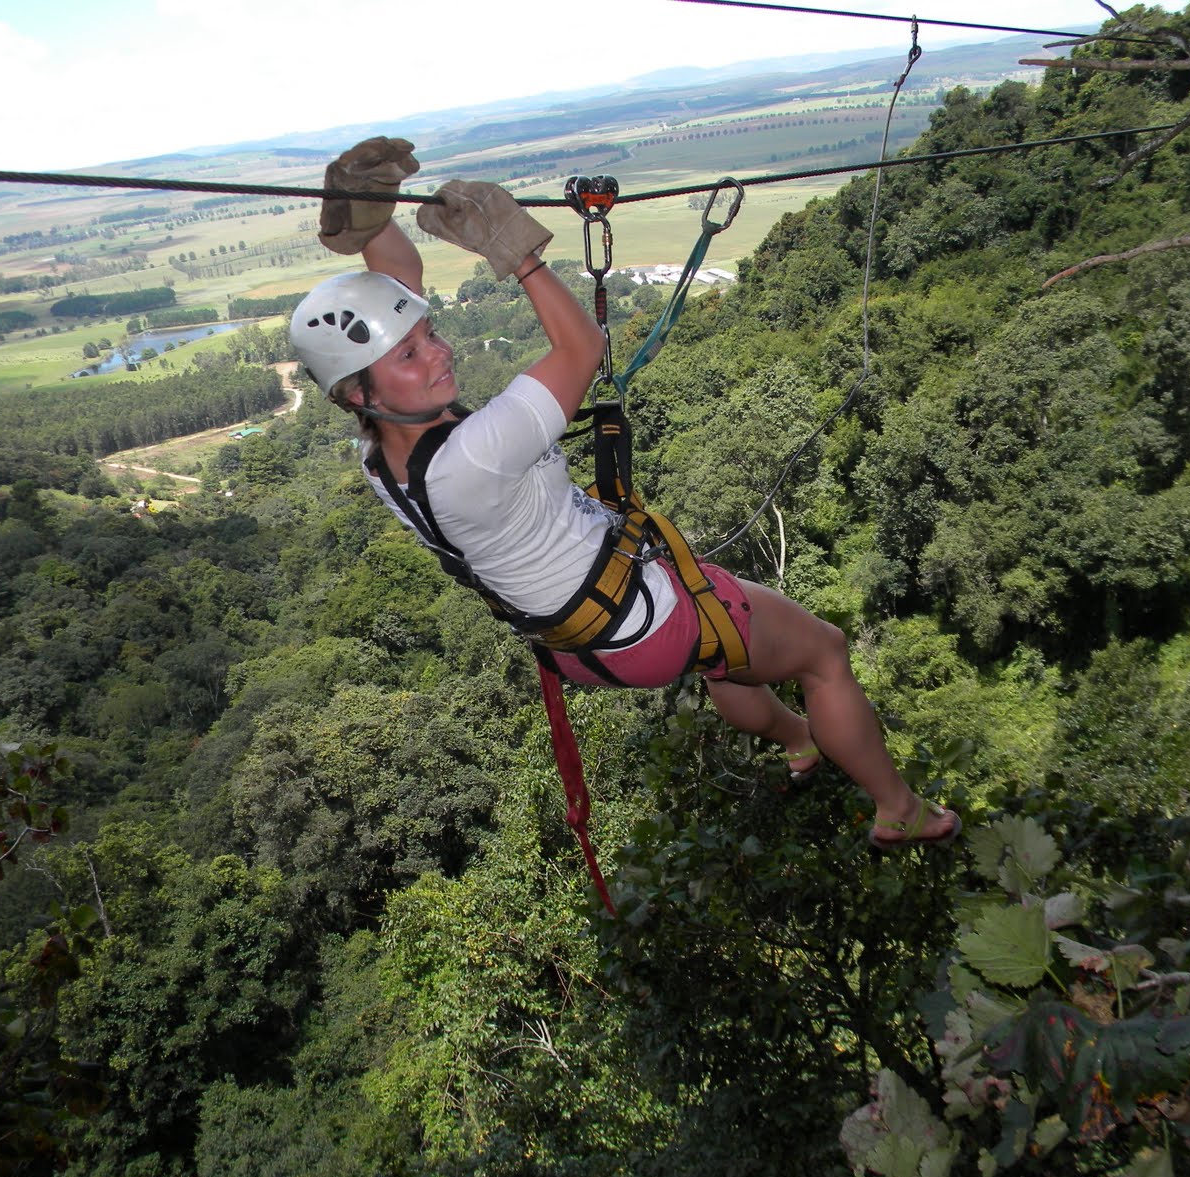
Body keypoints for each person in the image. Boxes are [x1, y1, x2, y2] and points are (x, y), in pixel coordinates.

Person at [290, 137, 959, 847]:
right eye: (411, 353)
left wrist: (373, 222)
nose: (440, 351)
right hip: (643, 616)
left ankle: (799, 740)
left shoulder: (380, 452)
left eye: (429, 334)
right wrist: (518, 255)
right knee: (822, 652)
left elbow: (394, 285)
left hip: (582, 641)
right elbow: (582, 349)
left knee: (730, 650)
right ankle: (899, 810)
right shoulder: (475, 459)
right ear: (360, 390)